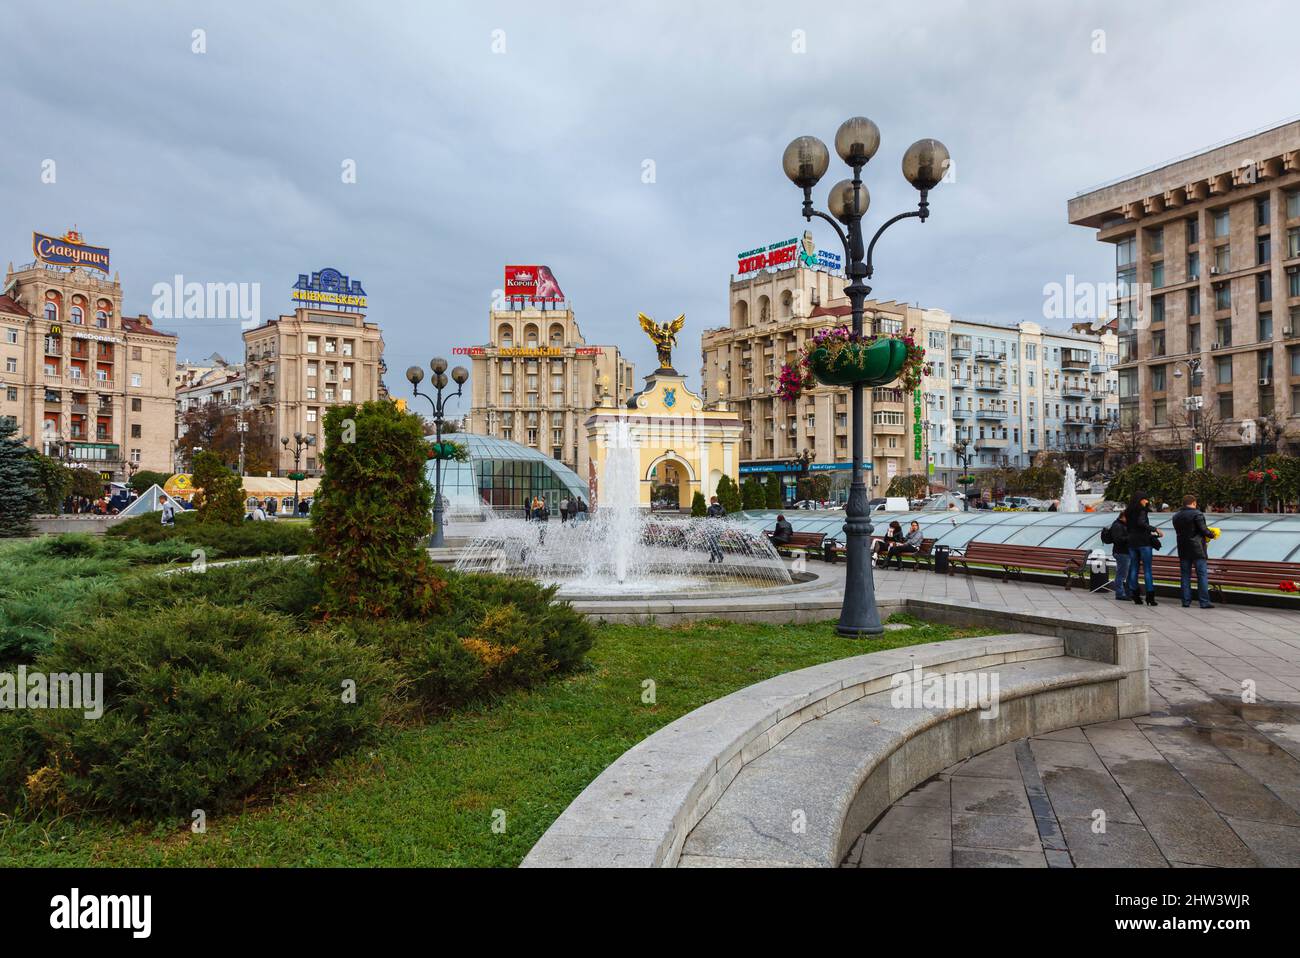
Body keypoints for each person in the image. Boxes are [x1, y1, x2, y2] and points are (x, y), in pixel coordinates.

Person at [1172, 494, 1215, 609]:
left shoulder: (1176, 516)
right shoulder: (1197, 514)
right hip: (1197, 549)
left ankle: (1186, 601)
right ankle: (1204, 601)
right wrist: (1212, 534)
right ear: (1194, 502)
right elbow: (1203, 529)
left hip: (1183, 548)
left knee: (1185, 575)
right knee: (1201, 575)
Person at [1124, 490, 1163, 606]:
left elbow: (1130, 526)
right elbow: (1141, 523)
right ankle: (1150, 597)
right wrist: (1155, 529)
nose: (1147, 501)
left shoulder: (1128, 511)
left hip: (1132, 542)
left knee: (1134, 568)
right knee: (1147, 570)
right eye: (1146, 499)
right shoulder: (1141, 510)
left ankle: (1136, 596)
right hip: (1143, 542)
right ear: (1141, 499)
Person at [1106, 511, 1131, 601]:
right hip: (1121, 553)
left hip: (1126, 552)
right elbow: (1118, 540)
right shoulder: (1117, 525)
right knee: (1121, 574)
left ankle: (1128, 593)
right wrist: (1130, 537)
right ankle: (1120, 594)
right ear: (1123, 517)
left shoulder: (1123, 525)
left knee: (1126, 573)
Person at [705, 495, 725, 563]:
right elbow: (725, 519)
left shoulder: (710, 508)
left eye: (710, 501)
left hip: (712, 528)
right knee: (713, 542)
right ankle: (712, 558)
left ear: (712, 501)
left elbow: (707, 519)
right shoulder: (722, 508)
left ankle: (720, 555)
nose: (710, 502)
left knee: (713, 543)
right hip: (720, 528)